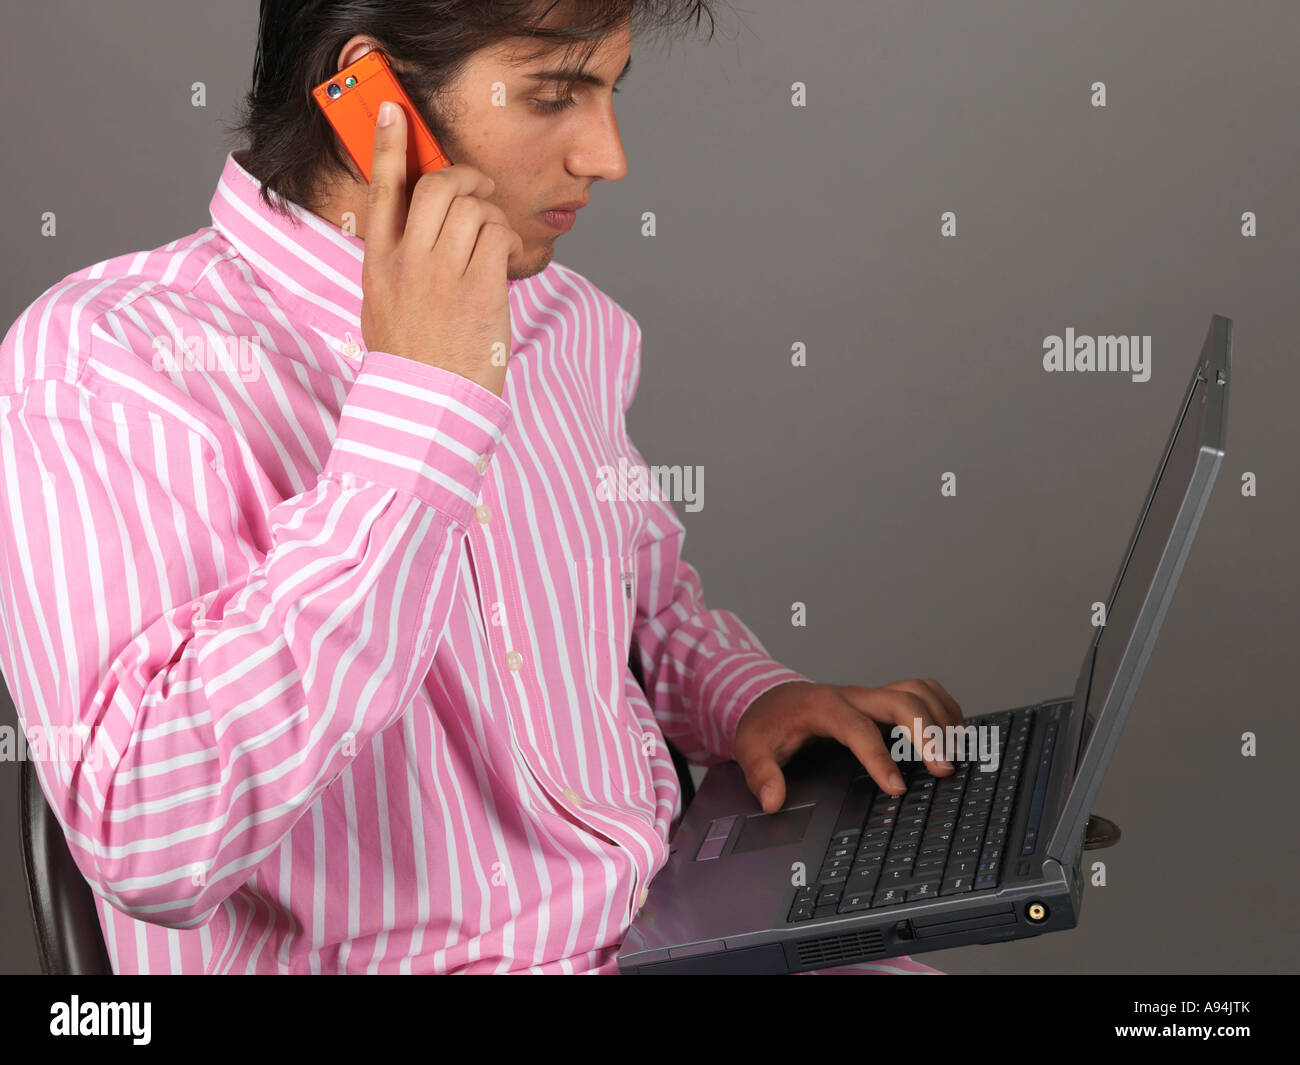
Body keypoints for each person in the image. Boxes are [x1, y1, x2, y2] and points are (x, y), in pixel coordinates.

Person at [0, 0, 961, 974]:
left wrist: (748, 696)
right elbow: (151, 838)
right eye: (553, 95)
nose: (607, 156)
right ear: (372, 93)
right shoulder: (103, 362)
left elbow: (642, 611)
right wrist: (422, 403)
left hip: (665, 934)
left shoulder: (566, 320)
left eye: (608, 92)